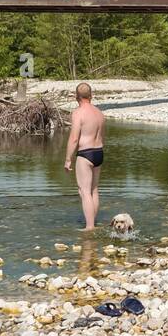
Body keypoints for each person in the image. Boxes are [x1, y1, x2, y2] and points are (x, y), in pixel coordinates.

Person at [64, 82, 105, 230]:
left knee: (84, 191)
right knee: (94, 189)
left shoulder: (78, 113)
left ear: (77, 96)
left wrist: (68, 159)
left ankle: (89, 227)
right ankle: (93, 222)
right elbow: (102, 137)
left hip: (85, 153)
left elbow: (74, 138)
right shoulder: (99, 113)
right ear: (91, 96)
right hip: (99, 152)